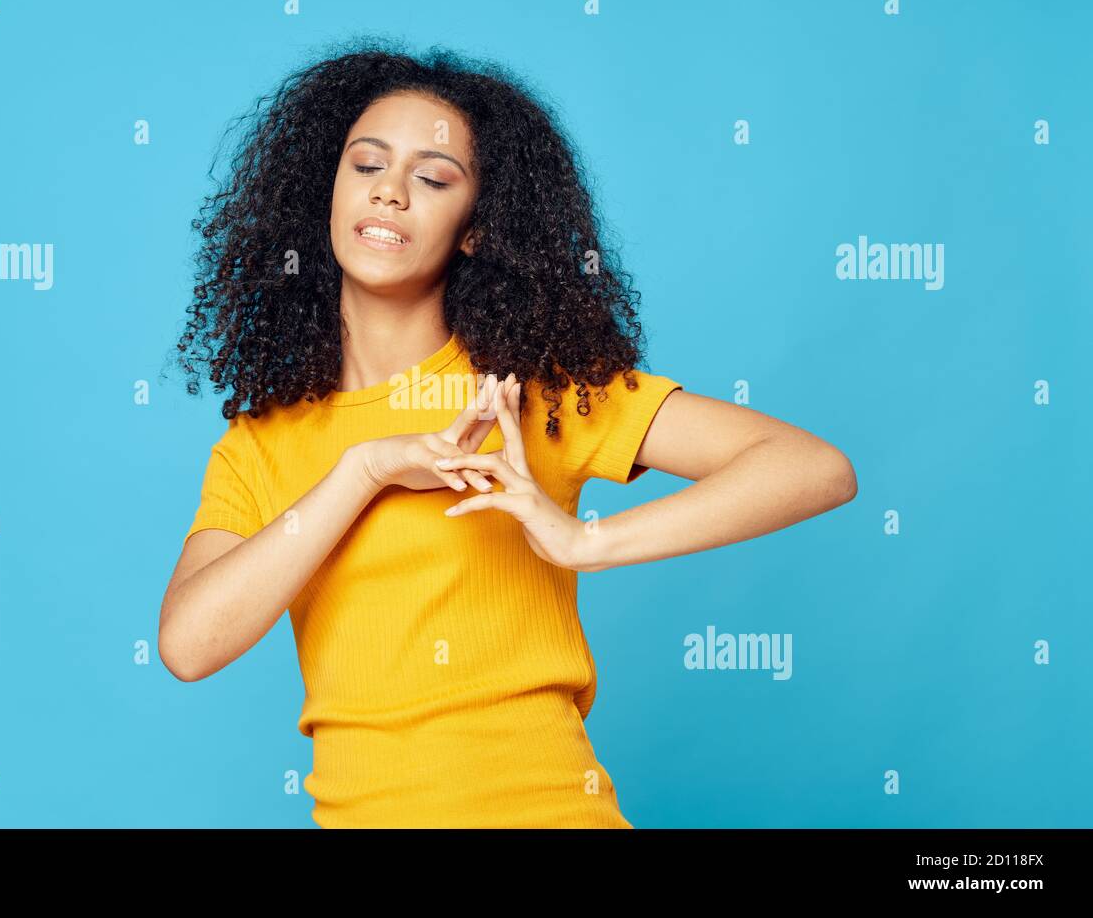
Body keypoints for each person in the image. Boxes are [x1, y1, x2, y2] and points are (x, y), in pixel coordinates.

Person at [159, 42, 857, 828]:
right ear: (322, 192)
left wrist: (583, 542)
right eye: (366, 165)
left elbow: (812, 468)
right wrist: (363, 473)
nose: (390, 192)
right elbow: (190, 645)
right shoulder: (261, 442)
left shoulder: (529, 394)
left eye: (432, 179)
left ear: (474, 232)